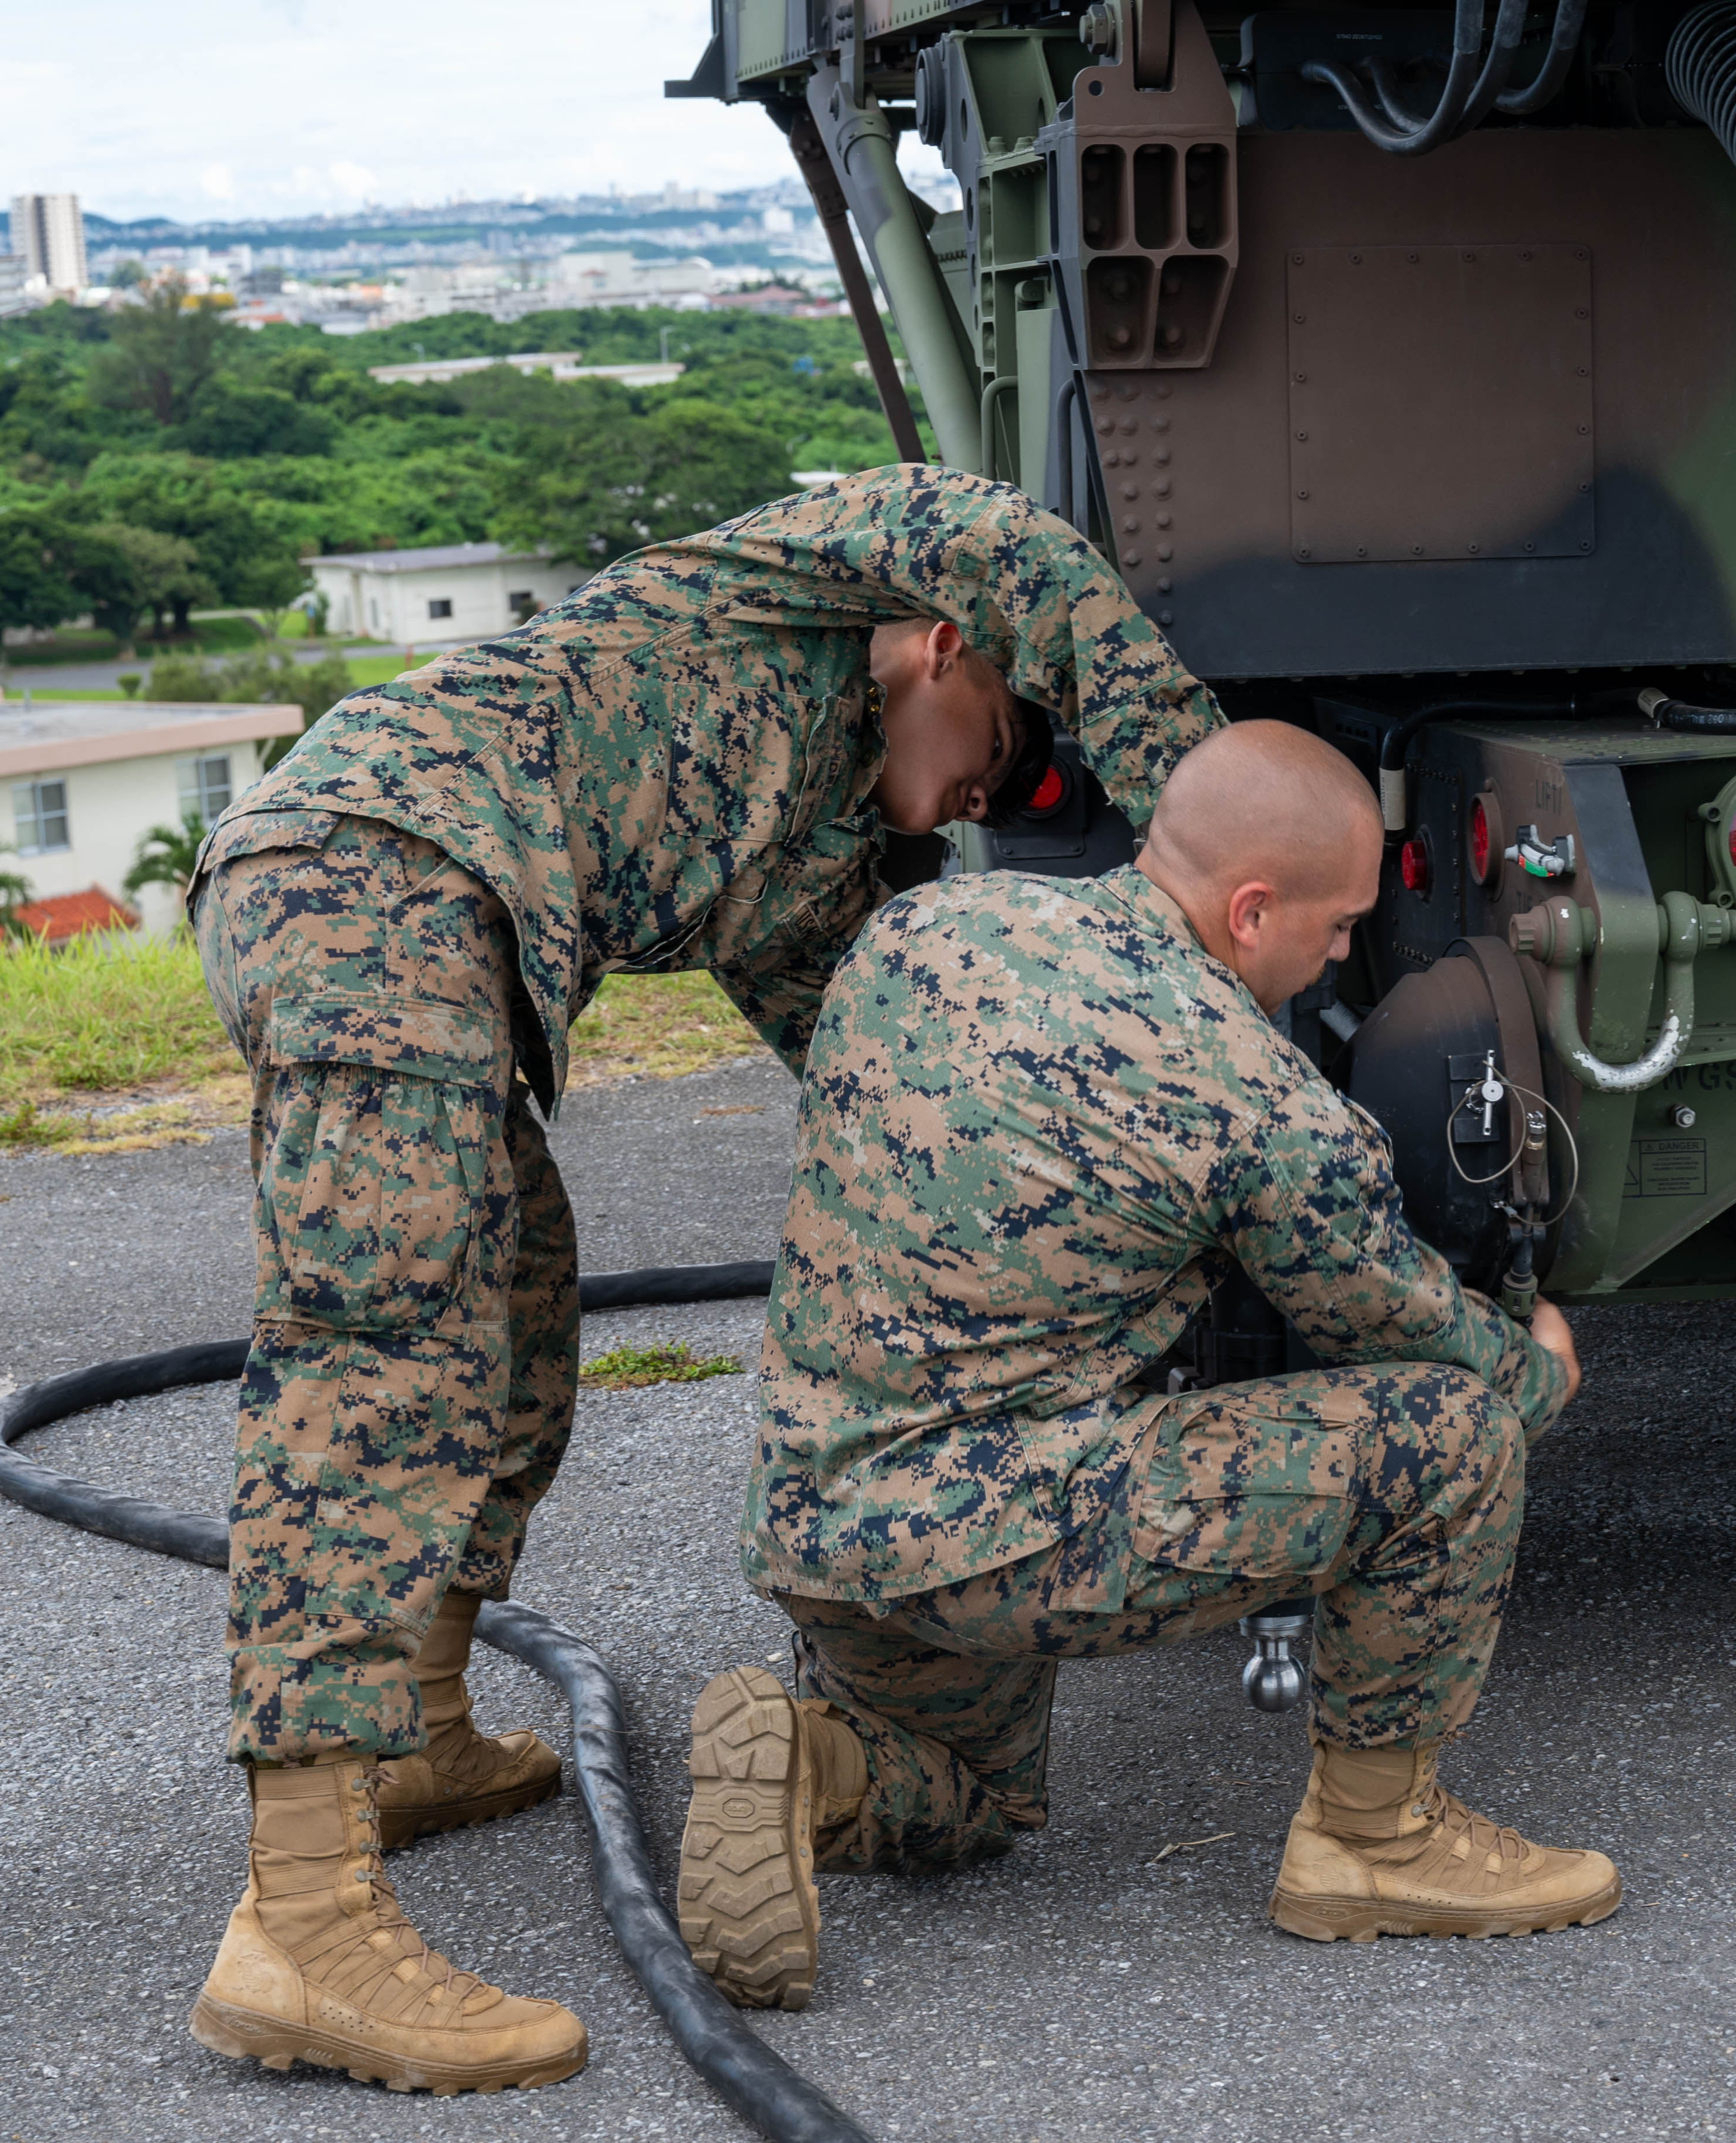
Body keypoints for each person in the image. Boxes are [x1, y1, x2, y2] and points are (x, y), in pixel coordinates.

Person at [180, 466, 1223, 2095]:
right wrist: (1198, 817)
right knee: (387, 1362)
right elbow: (1010, 536)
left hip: (439, 926)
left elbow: (899, 1101)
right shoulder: (787, 595)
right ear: (951, 650)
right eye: (1012, 748)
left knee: (518, 1338)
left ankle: (421, 1732)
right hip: (371, 868)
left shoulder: (819, 866)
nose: (981, 803)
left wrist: (1117, 1216)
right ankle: (301, 1920)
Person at [683, 720, 1613, 2012]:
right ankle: (1373, 1841)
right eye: (1337, 925)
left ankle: (806, 1760)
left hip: (814, 1521)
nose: (1340, 952)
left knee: (971, 1809)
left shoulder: (920, 935)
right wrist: (1541, 1363)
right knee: (1450, 1434)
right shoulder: (1255, 1097)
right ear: (1249, 910)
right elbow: (1401, 1331)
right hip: (997, 1533)